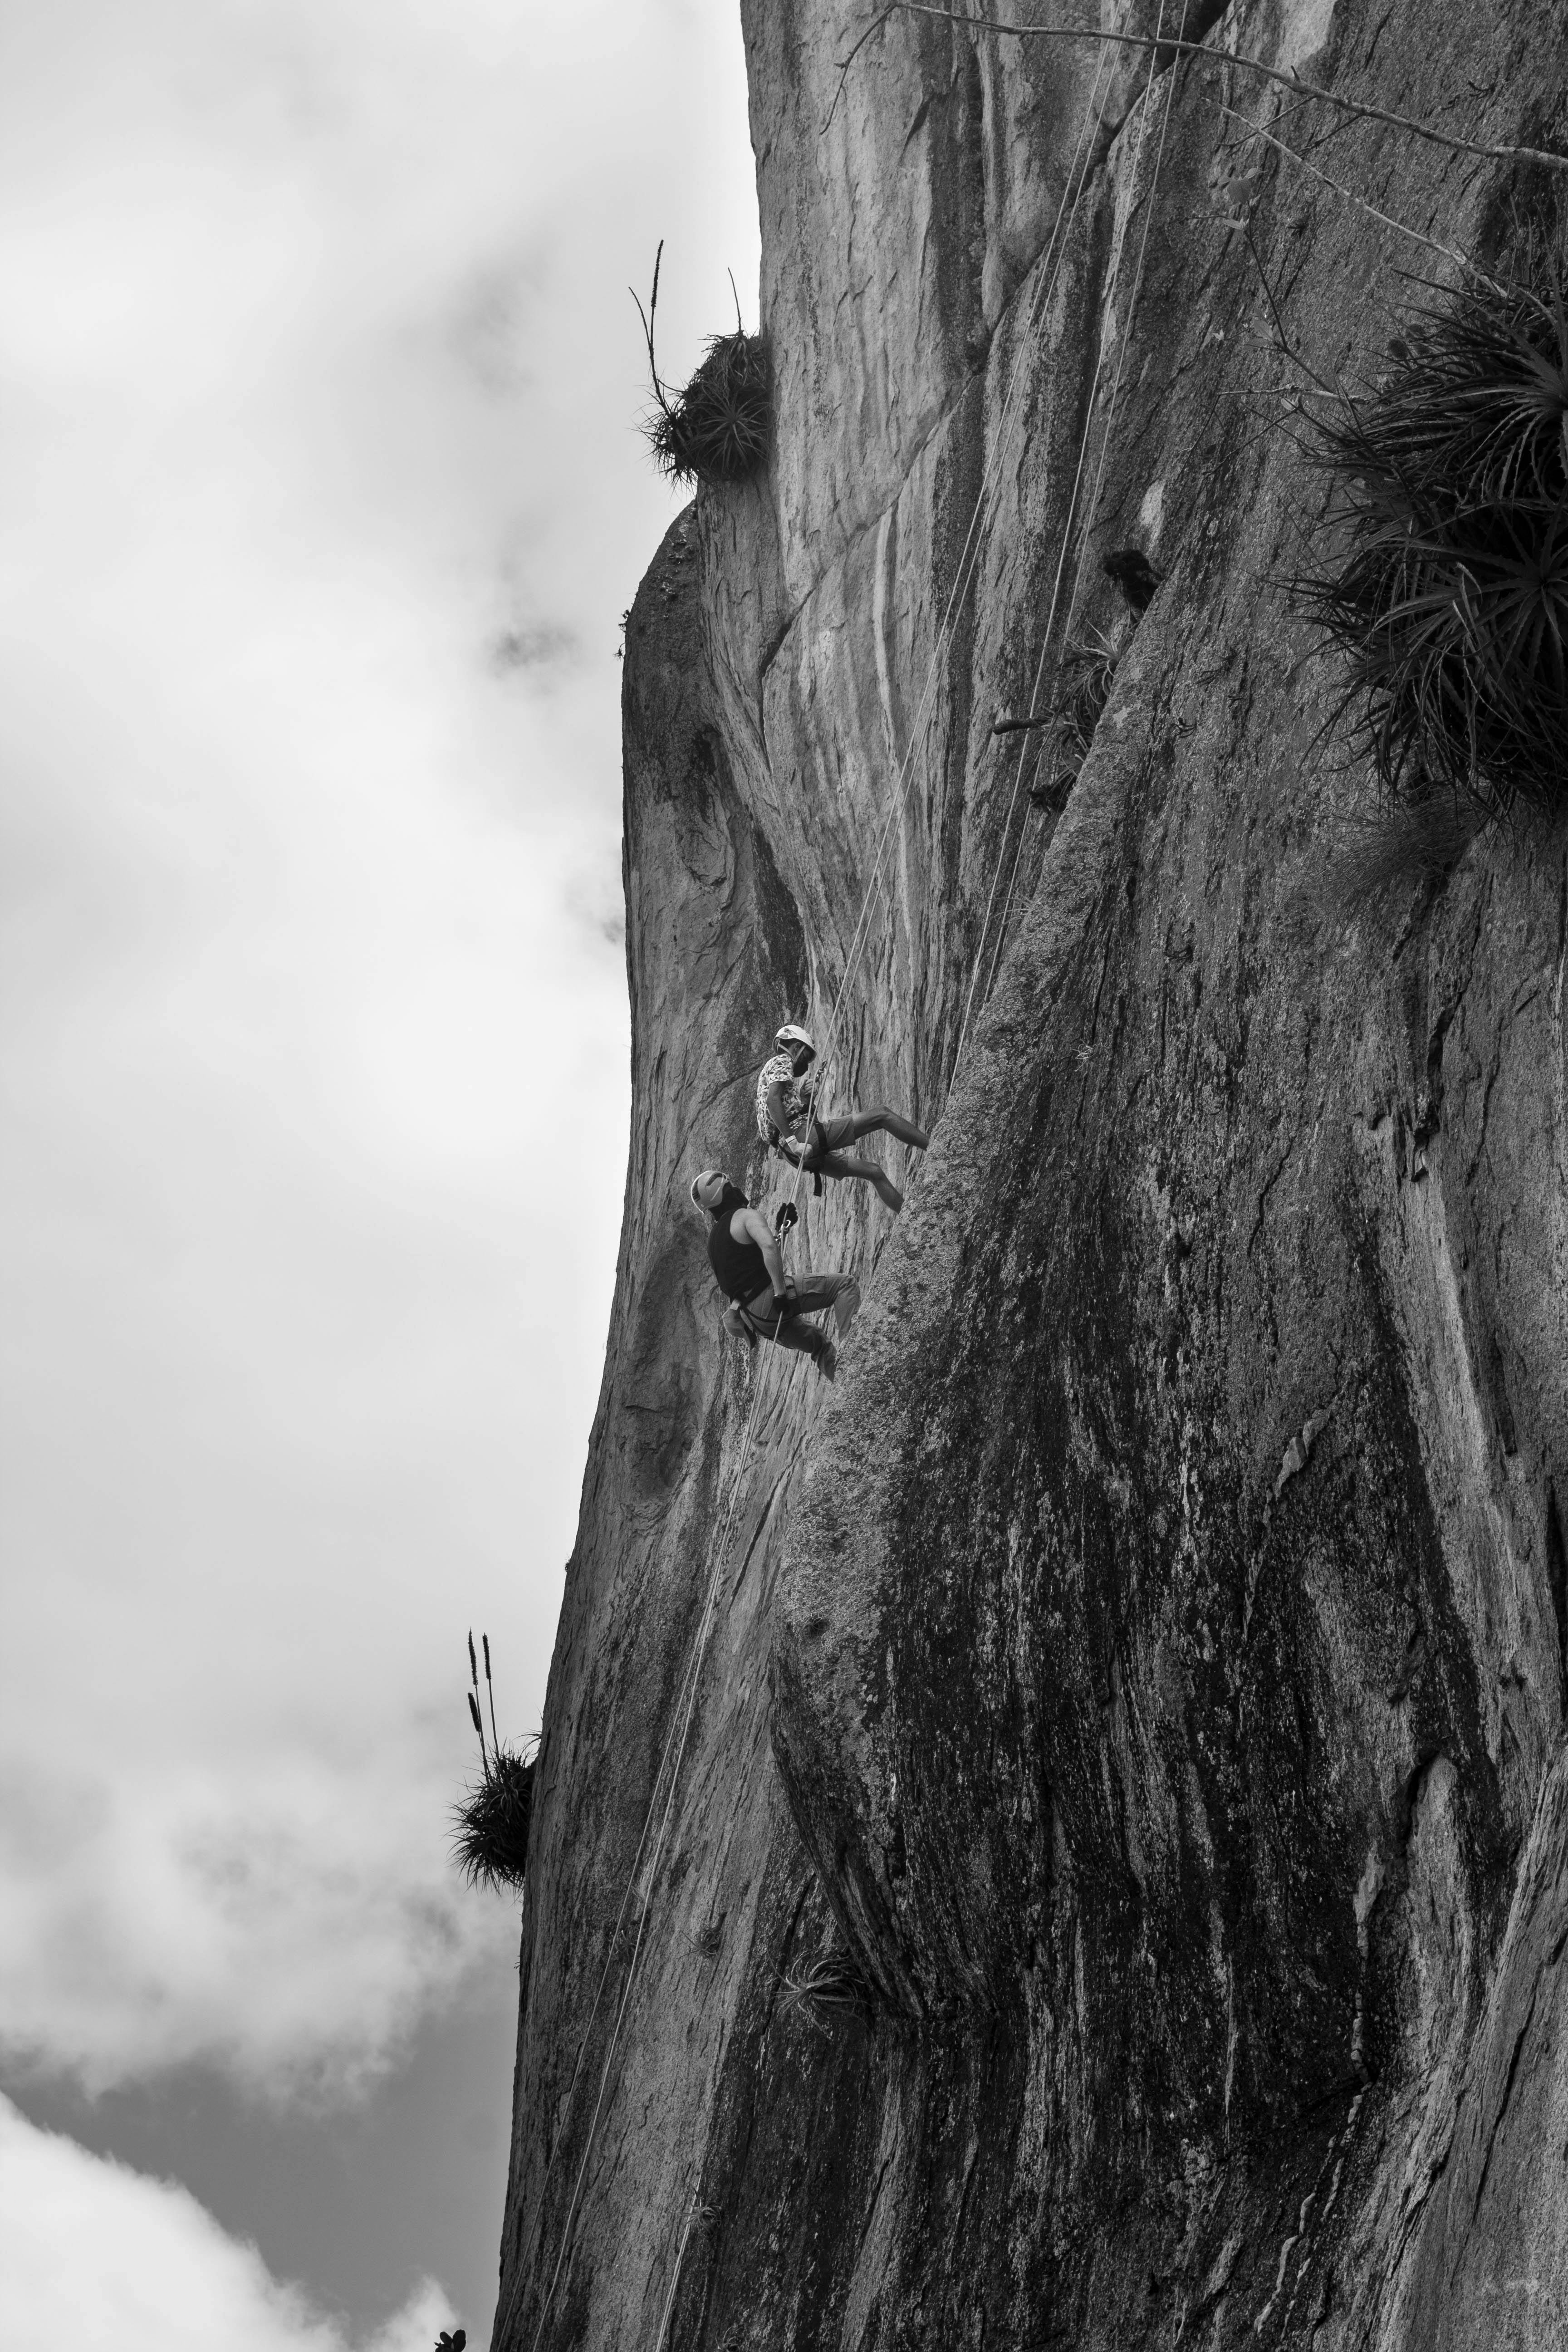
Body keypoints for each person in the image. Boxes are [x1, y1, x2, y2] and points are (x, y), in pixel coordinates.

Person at [690, 1168, 859, 1378]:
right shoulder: (744, 1215)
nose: (736, 1189)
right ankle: (856, 1358)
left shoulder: (714, 1240)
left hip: (755, 1319)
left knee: (818, 1344)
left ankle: (846, 1382)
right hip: (769, 1300)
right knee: (844, 1286)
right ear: (723, 1192)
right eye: (730, 1186)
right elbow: (769, 1248)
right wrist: (780, 1293)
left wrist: (781, 1228)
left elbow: (749, 1263)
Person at [755, 1023, 930, 1213]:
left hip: (794, 1154)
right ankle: (935, 1147)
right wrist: (794, 1143)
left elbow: (785, 1113)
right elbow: (774, 1102)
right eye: (806, 1058)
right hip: (798, 1141)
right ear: (797, 1048)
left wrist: (805, 1101)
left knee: (874, 1172)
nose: (806, 1067)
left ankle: (909, 1218)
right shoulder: (783, 1059)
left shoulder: (770, 1074)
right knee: (882, 1115)